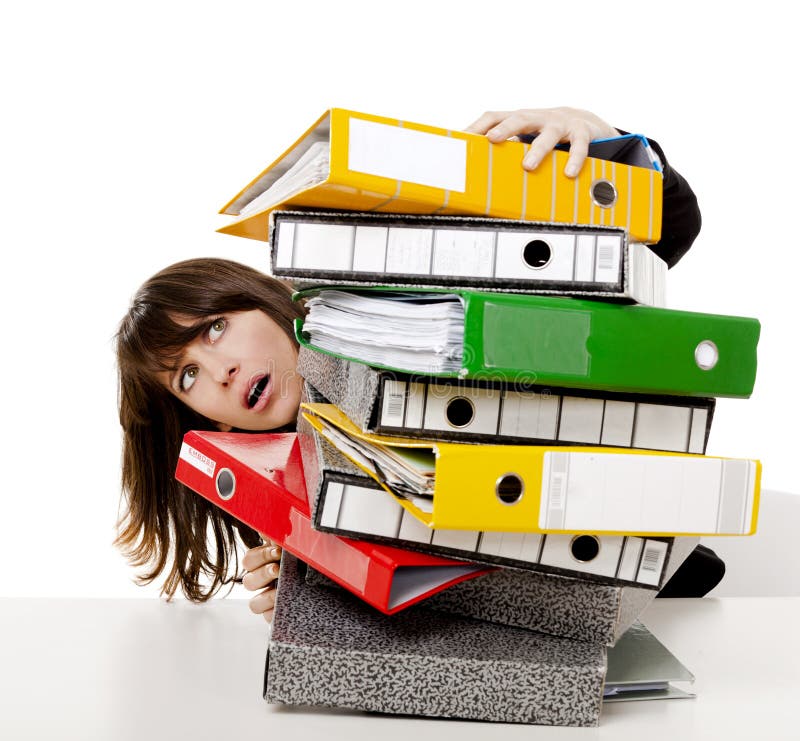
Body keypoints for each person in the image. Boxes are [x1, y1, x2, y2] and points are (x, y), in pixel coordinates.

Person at [115, 107, 714, 623]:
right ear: (206, 423)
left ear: (269, 299)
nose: (218, 369)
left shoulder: (412, 314)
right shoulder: (279, 499)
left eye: (215, 328)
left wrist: (606, 146)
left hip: (670, 586)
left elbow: (662, 236)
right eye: (187, 375)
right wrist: (325, 596)